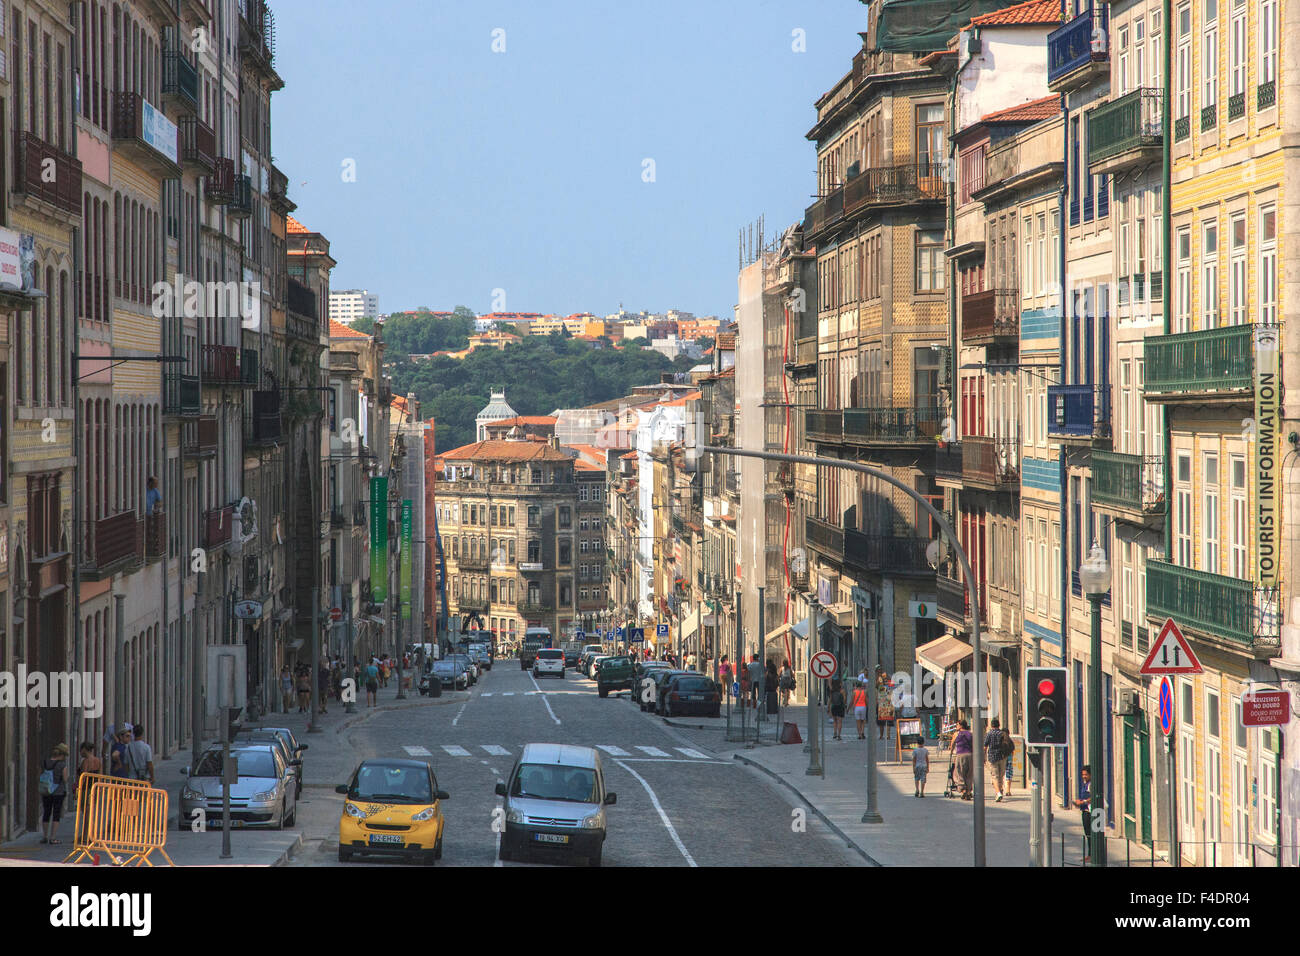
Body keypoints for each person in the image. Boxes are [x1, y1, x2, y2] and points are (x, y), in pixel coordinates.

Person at [39, 743, 70, 844]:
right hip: (58, 792)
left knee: (46, 813)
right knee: (56, 814)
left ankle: (44, 836)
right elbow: (65, 779)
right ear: (62, 755)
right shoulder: (62, 765)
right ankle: (53, 837)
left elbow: (40, 774)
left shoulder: (45, 762)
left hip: (46, 791)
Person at [984, 717, 1009, 802]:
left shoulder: (989, 734)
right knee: (1001, 775)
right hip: (1002, 756)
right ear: (999, 725)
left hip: (992, 757)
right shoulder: (1002, 733)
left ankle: (998, 793)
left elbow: (985, 746)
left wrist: (983, 757)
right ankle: (1000, 790)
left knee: (995, 776)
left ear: (991, 725)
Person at [1073, 765, 1094, 864]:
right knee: (1088, 834)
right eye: (1083, 774)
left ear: (1090, 774)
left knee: (1090, 834)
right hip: (1085, 811)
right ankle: (1090, 855)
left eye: (1086, 774)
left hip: (1089, 812)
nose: (1084, 776)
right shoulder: (1086, 784)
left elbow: (1094, 796)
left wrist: (1083, 801)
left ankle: (1092, 855)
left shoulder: (1091, 784)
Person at [951, 719, 974, 799]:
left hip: (960, 754)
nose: (956, 726)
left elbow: (953, 743)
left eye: (957, 725)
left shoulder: (957, 734)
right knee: (969, 773)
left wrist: (951, 751)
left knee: (959, 773)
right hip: (970, 755)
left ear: (961, 725)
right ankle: (968, 791)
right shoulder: (970, 734)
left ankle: (963, 790)